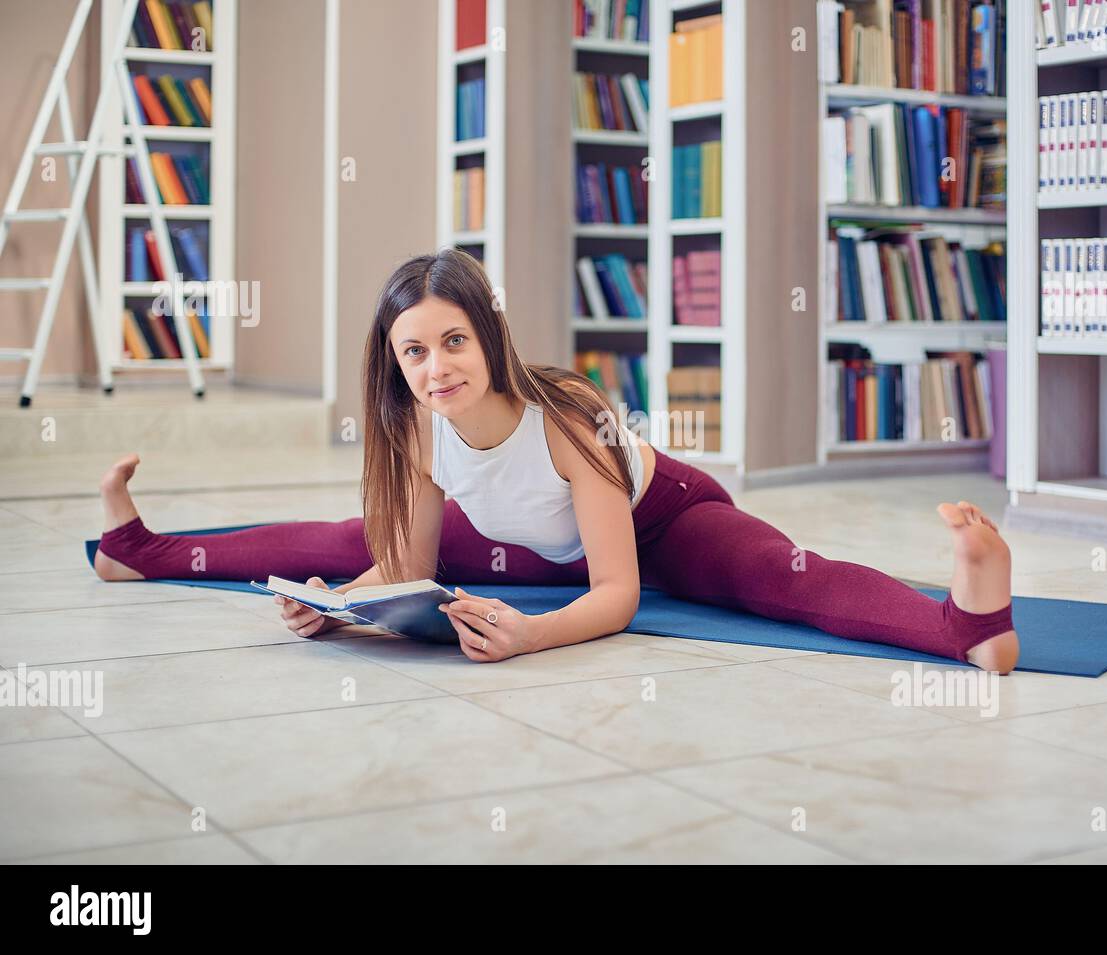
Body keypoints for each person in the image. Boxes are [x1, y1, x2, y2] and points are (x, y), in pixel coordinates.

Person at [94, 249, 1019, 672]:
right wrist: (342, 607)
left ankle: (967, 623)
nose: (435, 367)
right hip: (530, 544)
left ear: (490, 336)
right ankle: (139, 548)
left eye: (453, 341)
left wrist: (531, 636)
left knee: (773, 573)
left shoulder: (569, 417)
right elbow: (407, 566)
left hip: (661, 520)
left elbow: (615, 594)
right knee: (346, 540)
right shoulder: (416, 426)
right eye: (413, 352)